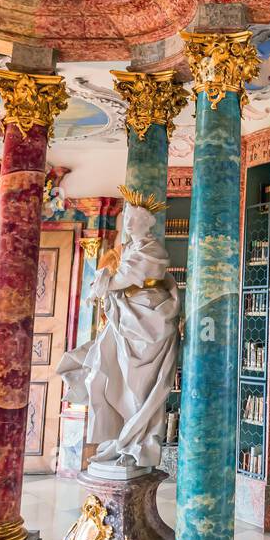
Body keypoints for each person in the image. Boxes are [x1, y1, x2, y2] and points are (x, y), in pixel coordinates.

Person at [57, 192, 180, 471]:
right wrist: (103, 284)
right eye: (127, 220)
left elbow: (125, 278)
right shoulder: (132, 250)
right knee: (109, 370)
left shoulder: (151, 250)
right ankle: (120, 439)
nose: (127, 226)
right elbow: (117, 279)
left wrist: (102, 283)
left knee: (139, 390)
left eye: (133, 221)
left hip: (149, 324)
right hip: (128, 319)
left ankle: (136, 443)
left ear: (145, 224)